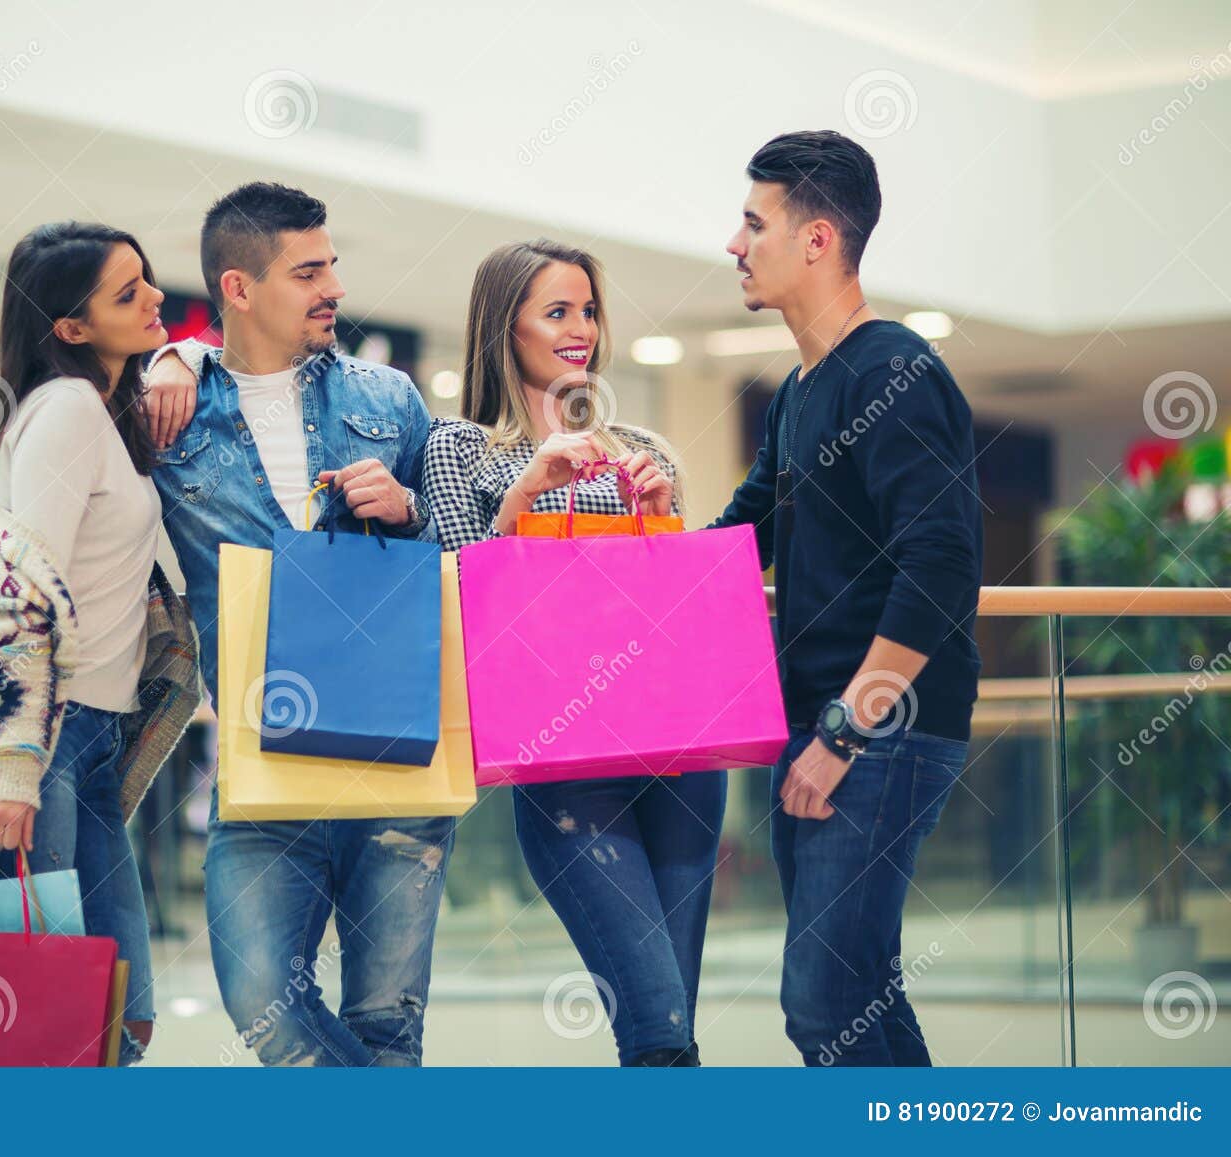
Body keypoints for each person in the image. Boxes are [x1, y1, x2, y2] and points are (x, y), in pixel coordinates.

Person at [0, 182, 451, 1066]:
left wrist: (415, 511)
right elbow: (56, 529)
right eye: (308, 272)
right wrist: (175, 361)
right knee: (266, 1004)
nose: (333, 288)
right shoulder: (163, 419)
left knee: (390, 1027)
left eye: (332, 265)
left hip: (397, 759)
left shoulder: (391, 400)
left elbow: (464, 554)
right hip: (260, 760)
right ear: (239, 288)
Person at [420, 239, 727, 1067]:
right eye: (557, 311)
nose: (581, 329)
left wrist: (660, 514)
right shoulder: (461, 448)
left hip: (681, 754)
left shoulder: (644, 450)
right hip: (564, 759)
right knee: (660, 1027)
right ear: (503, 326)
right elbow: (452, 596)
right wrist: (524, 497)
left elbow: (676, 612)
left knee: (671, 1021)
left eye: (588, 310)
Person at [713, 130, 983, 1065]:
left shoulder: (893, 371)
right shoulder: (800, 391)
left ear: (818, 239)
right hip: (825, 722)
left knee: (827, 998)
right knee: (851, 994)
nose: (735, 244)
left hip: (880, 727)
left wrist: (842, 733)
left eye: (754, 223)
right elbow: (740, 532)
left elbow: (943, 567)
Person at [0, 220, 200, 1066]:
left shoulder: (102, 408)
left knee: (118, 1010)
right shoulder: (65, 411)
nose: (155, 298)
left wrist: (173, 359)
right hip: (47, 740)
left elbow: (18, 557)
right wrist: (11, 765)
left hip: (88, 739)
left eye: (147, 280)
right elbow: (23, 596)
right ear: (70, 328)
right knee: (61, 1021)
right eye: (127, 294)